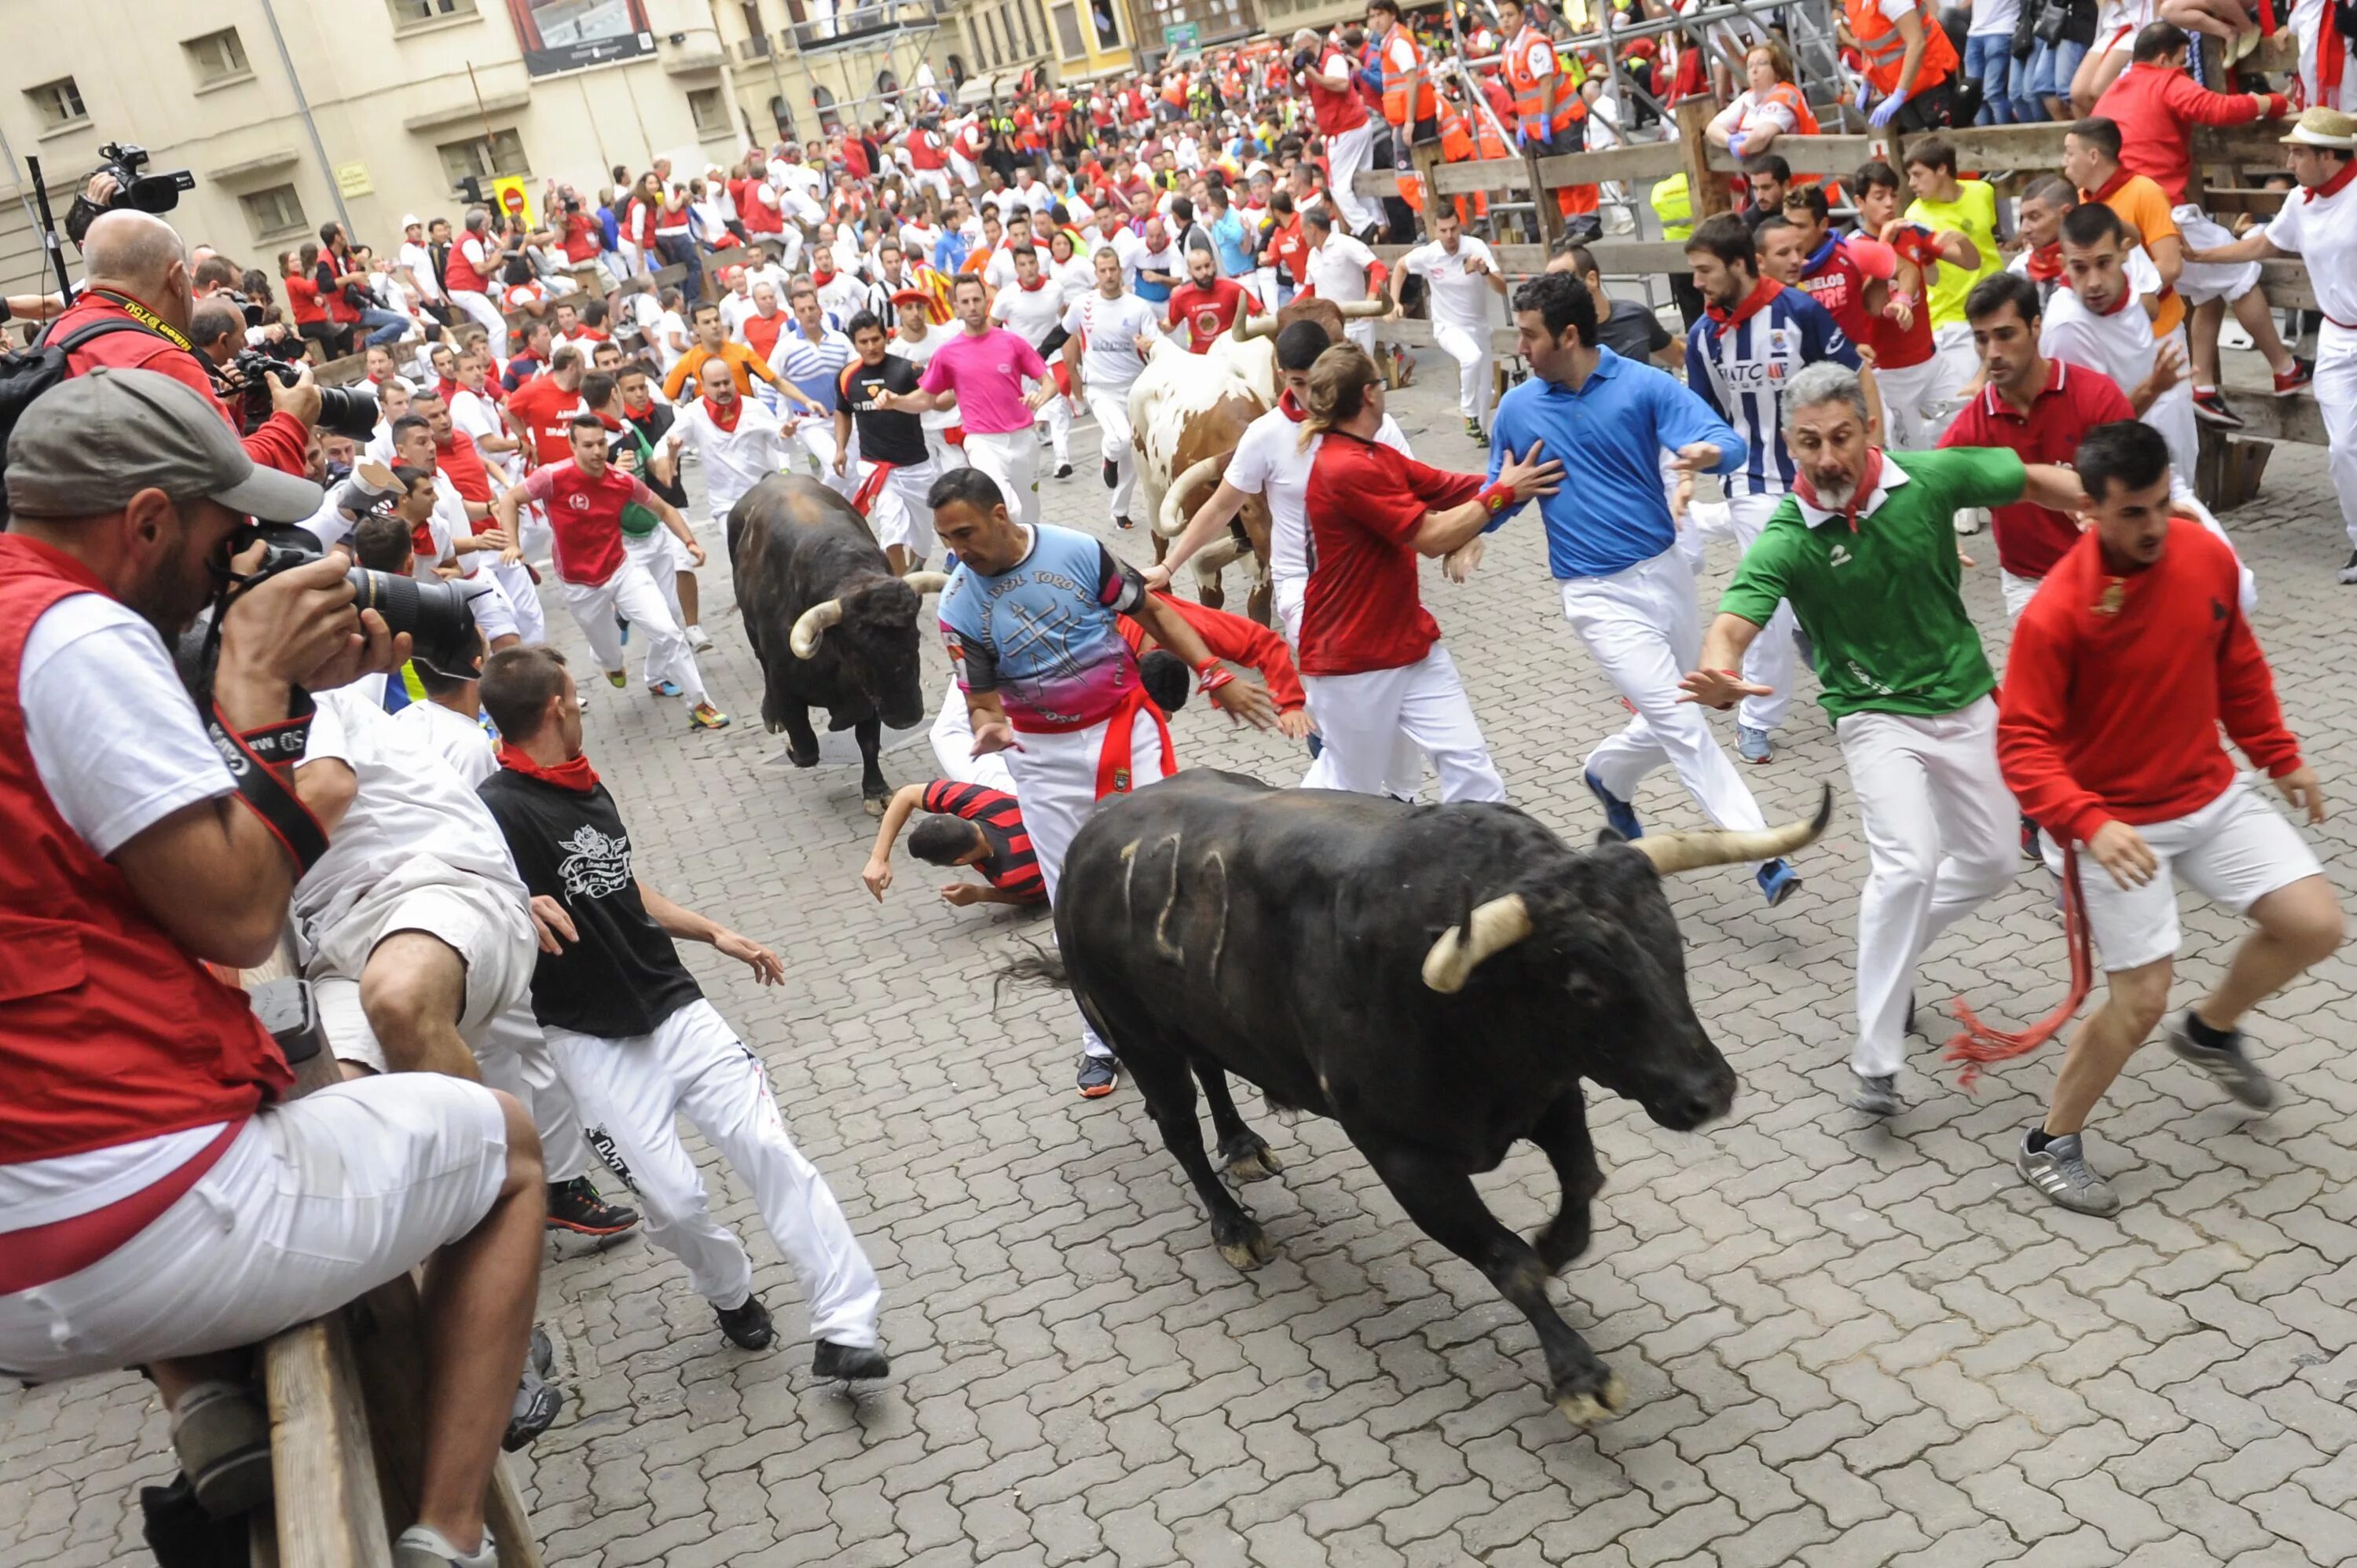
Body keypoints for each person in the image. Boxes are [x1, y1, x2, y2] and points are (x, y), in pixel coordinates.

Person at [0, 368, 544, 1568]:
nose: (233, 553)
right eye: (223, 526)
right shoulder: (74, 631)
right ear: (146, 521)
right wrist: (253, 692)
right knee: (503, 1147)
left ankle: (202, 1400)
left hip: (22, 1227)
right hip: (125, 1211)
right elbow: (238, 915)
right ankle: (447, 1537)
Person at [1681, 361, 2091, 1116]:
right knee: (1908, 865)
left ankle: (1890, 958)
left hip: (1966, 699)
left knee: (1998, 859)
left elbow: (2031, 480)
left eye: (1841, 436)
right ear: (1789, 446)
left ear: (1869, 431)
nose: (1828, 457)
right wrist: (1718, 672)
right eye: (1810, 443)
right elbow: (1736, 619)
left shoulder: (1926, 479)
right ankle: (1876, 1060)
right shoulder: (1788, 534)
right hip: (1873, 714)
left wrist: (2112, 504)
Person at [475, 647, 886, 1372]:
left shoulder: (585, 786)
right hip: (589, 1041)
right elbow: (455, 890)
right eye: (577, 698)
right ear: (555, 709)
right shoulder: (493, 812)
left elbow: (620, 886)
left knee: (772, 1153)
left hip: (677, 1008)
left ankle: (847, 1327)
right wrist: (503, 901)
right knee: (677, 1203)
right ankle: (729, 1291)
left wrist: (714, 932)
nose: (582, 710)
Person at [1996, 420, 2341, 1214]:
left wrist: (2279, 754)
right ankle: (2050, 1142)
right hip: (2113, 829)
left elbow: (2237, 666)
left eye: (2161, 504)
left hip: (2207, 794)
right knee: (2140, 999)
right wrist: (2087, 820)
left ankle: (2212, 1031)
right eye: (2133, 514)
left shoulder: (2203, 553)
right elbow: (2022, 746)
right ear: (2088, 509)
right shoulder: (2057, 611)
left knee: (2316, 923)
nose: (2155, 527)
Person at [929, 467, 1277, 1095]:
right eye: (947, 540)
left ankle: (1212, 997)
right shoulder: (958, 606)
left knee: (1172, 863)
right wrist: (990, 727)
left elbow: (1157, 614)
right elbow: (980, 699)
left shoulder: (1079, 551)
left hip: (1124, 729)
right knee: (1072, 895)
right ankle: (1101, 1034)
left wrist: (1213, 674)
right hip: (1041, 756)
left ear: (1000, 515)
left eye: (965, 533)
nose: (958, 550)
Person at [1486, 273, 1799, 907]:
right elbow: (1496, 498)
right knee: (1683, 721)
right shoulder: (1519, 409)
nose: (1520, 347)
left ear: (1568, 336)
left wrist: (1708, 456)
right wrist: (1490, 506)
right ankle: (1760, 848)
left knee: (1670, 712)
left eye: (1529, 335)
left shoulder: (1645, 385)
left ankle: (1607, 776)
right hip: (1595, 595)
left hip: (1666, 576)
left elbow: (1731, 444)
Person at [1294, 343, 1549, 802]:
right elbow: (1430, 536)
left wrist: (1529, 475)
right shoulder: (1345, 466)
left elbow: (1452, 489)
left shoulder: (1375, 456)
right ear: (1371, 394)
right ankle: (1272, 859)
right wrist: (1499, 499)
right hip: (1352, 662)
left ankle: (1486, 865)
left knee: (1470, 765)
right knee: (1347, 791)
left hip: (1409, 648)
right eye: (1380, 382)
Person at [1682, 214, 1870, 765]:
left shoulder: (1799, 311)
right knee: (1772, 605)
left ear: (1738, 265)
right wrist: (1701, 459)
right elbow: (1703, 415)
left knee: (1835, 588)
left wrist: (1867, 451)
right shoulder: (1702, 337)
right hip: (1752, 485)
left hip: (1821, 477)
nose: (1696, 284)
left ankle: (1843, 680)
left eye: (1704, 271)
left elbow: (1850, 377)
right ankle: (1757, 717)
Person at [2092, 23, 2305, 427]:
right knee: (2240, 271)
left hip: (2123, 214)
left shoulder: (2112, 94)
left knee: (2207, 292)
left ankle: (2203, 389)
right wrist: (2273, 103)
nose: (2185, 70)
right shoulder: (2166, 81)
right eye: (2181, 62)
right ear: (2163, 59)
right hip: (2163, 210)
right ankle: (2284, 368)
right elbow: (2218, 109)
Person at [2180, 109, 2357, 583]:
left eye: (2299, 151)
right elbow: (2265, 246)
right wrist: (2200, 255)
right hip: (2340, 339)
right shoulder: (2300, 201)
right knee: (2342, 448)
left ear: (2330, 156)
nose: (2289, 159)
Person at [490, 416, 727, 731]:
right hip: (579, 584)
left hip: (622, 569)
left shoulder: (621, 480)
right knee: (609, 653)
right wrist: (513, 544)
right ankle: (611, 664)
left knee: (668, 632)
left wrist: (690, 542)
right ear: (573, 446)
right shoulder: (552, 477)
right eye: (588, 445)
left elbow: (665, 509)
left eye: (602, 443)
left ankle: (700, 705)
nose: (598, 452)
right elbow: (510, 498)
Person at [49, 211, 314, 477]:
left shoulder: (57, 336)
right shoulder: (162, 359)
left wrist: (228, 413)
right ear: (177, 278)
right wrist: (290, 421)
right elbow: (233, 478)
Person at [1944, 270, 2139, 615]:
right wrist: (1939, 536)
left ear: (2036, 327)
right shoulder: (1972, 425)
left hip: (2108, 572)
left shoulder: (2097, 395)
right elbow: (1930, 485)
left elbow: (2135, 486)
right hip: (2028, 584)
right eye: (1982, 339)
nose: (1993, 353)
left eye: (2005, 335)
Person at [880, 276, 1058, 526]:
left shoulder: (1012, 342)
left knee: (1029, 515)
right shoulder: (947, 353)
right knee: (1009, 507)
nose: (972, 306)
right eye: (965, 301)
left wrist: (1041, 397)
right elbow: (924, 399)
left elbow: (1050, 383)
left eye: (977, 299)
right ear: (956, 307)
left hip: (1023, 439)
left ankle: (1024, 555)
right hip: (982, 442)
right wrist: (895, 402)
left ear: (987, 302)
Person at [1058, 251, 1165, 529]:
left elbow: (1157, 344)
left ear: (1120, 270)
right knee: (1120, 440)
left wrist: (1148, 346)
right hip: (1100, 388)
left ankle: (1120, 511)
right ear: (1096, 273)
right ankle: (1108, 457)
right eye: (1103, 270)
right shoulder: (1083, 304)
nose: (1108, 275)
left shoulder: (1138, 306)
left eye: (1113, 269)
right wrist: (1036, 357)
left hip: (1134, 389)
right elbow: (1063, 332)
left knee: (1133, 456)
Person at [836, 312, 943, 573]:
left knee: (923, 537)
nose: (871, 347)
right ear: (854, 343)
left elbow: (937, 398)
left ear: (886, 337)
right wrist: (840, 449)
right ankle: (903, 587)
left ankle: (914, 570)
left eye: (876, 339)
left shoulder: (909, 369)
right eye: (863, 342)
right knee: (892, 533)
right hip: (877, 469)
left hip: (916, 466)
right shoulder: (846, 377)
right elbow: (842, 412)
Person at [1395, 205, 1508, 446]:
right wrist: (1395, 302)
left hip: (1478, 327)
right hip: (1447, 326)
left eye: (1453, 229)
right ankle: (1468, 413)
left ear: (1461, 226)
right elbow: (1401, 266)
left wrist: (1484, 271)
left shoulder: (1476, 247)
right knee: (1471, 358)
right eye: (1443, 230)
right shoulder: (1429, 254)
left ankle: (1482, 434)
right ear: (1435, 231)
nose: (1449, 236)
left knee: (1487, 392)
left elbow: (1502, 288)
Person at [863, 778, 1047, 909]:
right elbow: (907, 794)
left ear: (959, 861)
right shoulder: (984, 802)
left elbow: (1033, 898)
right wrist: (878, 857)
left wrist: (979, 894)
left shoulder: (1012, 875)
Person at [987, 247, 1076, 477]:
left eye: (1032, 263)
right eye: (1023, 264)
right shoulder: (1007, 296)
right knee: (1023, 410)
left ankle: (1062, 459)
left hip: (1050, 355)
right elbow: (990, 328)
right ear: (1016, 269)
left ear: (1038, 264)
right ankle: (1025, 462)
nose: (1029, 269)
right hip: (1020, 361)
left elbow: (1064, 318)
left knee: (1058, 404)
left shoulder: (1055, 289)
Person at [1845, 0, 1963, 130]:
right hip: (1903, 85)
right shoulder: (1856, 3)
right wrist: (1867, 83)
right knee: (1915, 142)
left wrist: (1899, 94)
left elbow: (1917, 42)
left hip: (1930, 76)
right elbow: (1868, 45)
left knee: (1944, 139)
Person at [1299, 206, 1389, 355]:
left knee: (1363, 371)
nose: (1302, 235)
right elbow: (1308, 292)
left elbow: (1380, 269)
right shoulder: (1312, 256)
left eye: (1303, 230)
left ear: (1312, 228)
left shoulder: (1346, 244)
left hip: (1357, 323)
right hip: (1329, 325)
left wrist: (1370, 301)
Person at [443, 209, 512, 361]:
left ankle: (502, 310)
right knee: (498, 327)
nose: (489, 229)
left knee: (497, 288)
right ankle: (497, 362)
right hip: (464, 290)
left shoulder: (470, 239)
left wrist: (498, 262)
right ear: (482, 226)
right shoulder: (471, 242)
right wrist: (495, 258)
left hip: (469, 286)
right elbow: (480, 269)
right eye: (488, 225)